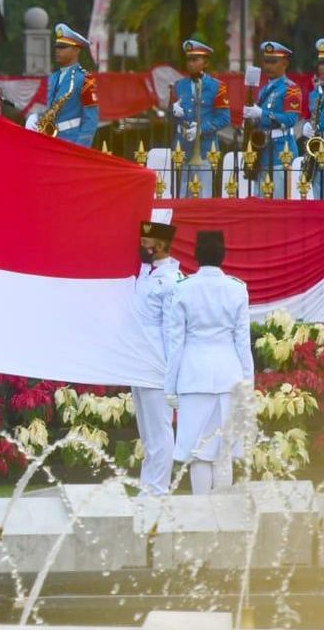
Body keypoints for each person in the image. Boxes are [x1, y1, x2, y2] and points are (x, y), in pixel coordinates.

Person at [164, 230, 254, 495]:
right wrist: (248, 384)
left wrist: (170, 387)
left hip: (194, 377)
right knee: (224, 452)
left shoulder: (183, 288)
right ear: (223, 254)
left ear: (196, 254)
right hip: (229, 377)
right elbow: (242, 344)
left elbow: (176, 344)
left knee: (198, 453)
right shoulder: (237, 289)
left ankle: (201, 512)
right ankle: (223, 514)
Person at [132, 221, 181, 496]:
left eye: (146, 242)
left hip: (157, 364)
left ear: (160, 245)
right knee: (147, 433)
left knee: (160, 430)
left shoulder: (171, 281)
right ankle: (147, 488)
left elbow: (172, 331)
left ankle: (159, 489)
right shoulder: (145, 274)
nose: (141, 246)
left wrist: (172, 373)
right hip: (138, 362)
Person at [171, 40, 230, 198]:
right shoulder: (179, 85)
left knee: (204, 194)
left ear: (205, 62)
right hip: (183, 148)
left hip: (205, 148)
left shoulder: (216, 86)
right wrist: (174, 112)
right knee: (182, 193)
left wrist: (201, 129)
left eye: (195, 59)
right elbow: (171, 117)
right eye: (188, 59)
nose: (190, 64)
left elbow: (224, 118)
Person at [242, 41, 301, 199]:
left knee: (278, 199)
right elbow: (260, 121)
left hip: (281, 150)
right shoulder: (264, 90)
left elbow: (290, 119)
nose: (268, 66)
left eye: (273, 62)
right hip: (262, 150)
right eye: (266, 61)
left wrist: (261, 113)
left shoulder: (290, 88)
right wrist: (250, 119)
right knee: (260, 199)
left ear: (285, 63)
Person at [25, 23, 98, 147]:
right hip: (49, 140)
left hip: (71, 140)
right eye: (57, 47)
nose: (58, 51)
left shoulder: (85, 79)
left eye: (63, 47)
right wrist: (36, 117)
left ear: (76, 50)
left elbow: (90, 120)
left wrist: (80, 147)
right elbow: (46, 107)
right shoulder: (52, 78)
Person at [300, 39, 324, 197]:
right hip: (317, 145)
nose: (322, 68)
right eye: (320, 65)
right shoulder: (314, 93)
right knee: (317, 187)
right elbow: (309, 115)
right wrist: (307, 126)